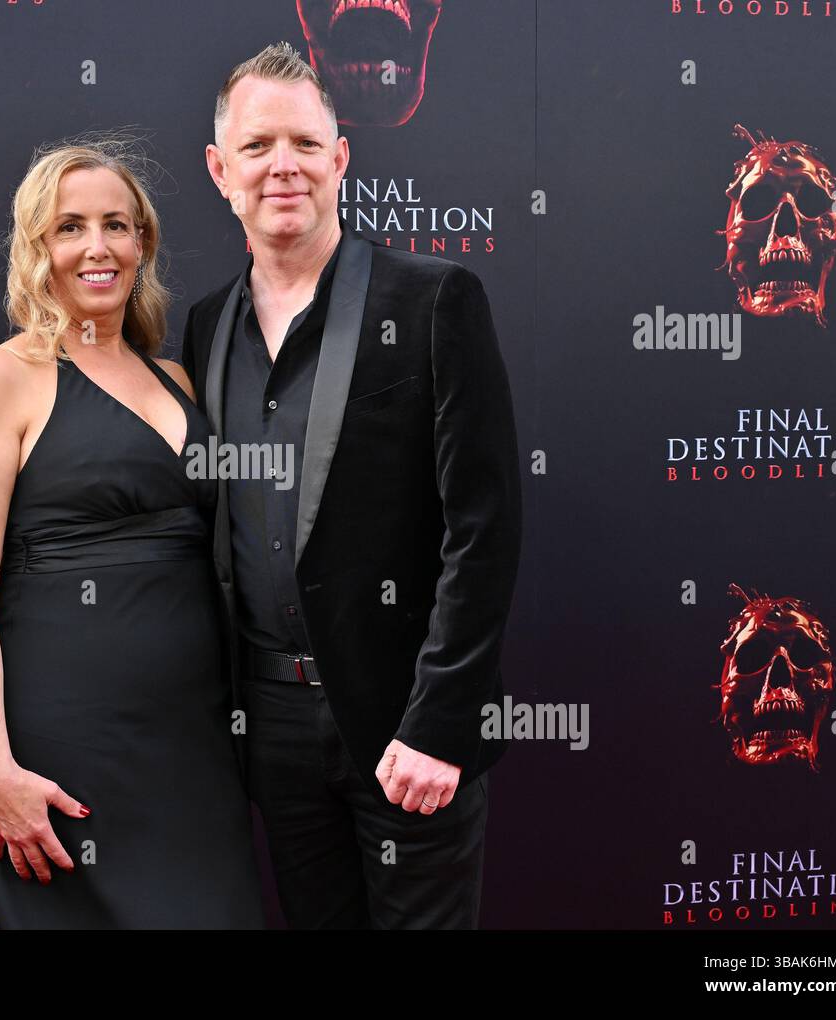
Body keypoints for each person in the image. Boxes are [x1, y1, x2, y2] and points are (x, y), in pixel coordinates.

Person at [180, 42, 523, 929]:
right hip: (272, 731)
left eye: (303, 142)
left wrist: (441, 725)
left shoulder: (434, 297)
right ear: (221, 171)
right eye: (256, 147)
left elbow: (482, 529)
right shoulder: (205, 326)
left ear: (341, 157)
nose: (281, 165)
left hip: (405, 727)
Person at [0, 137, 265, 929]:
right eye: (69, 227)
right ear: (37, 247)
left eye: (117, 224)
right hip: (64, 747)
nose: (97, 247)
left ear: (142, 242)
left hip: (194, 749)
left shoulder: (177, 380)